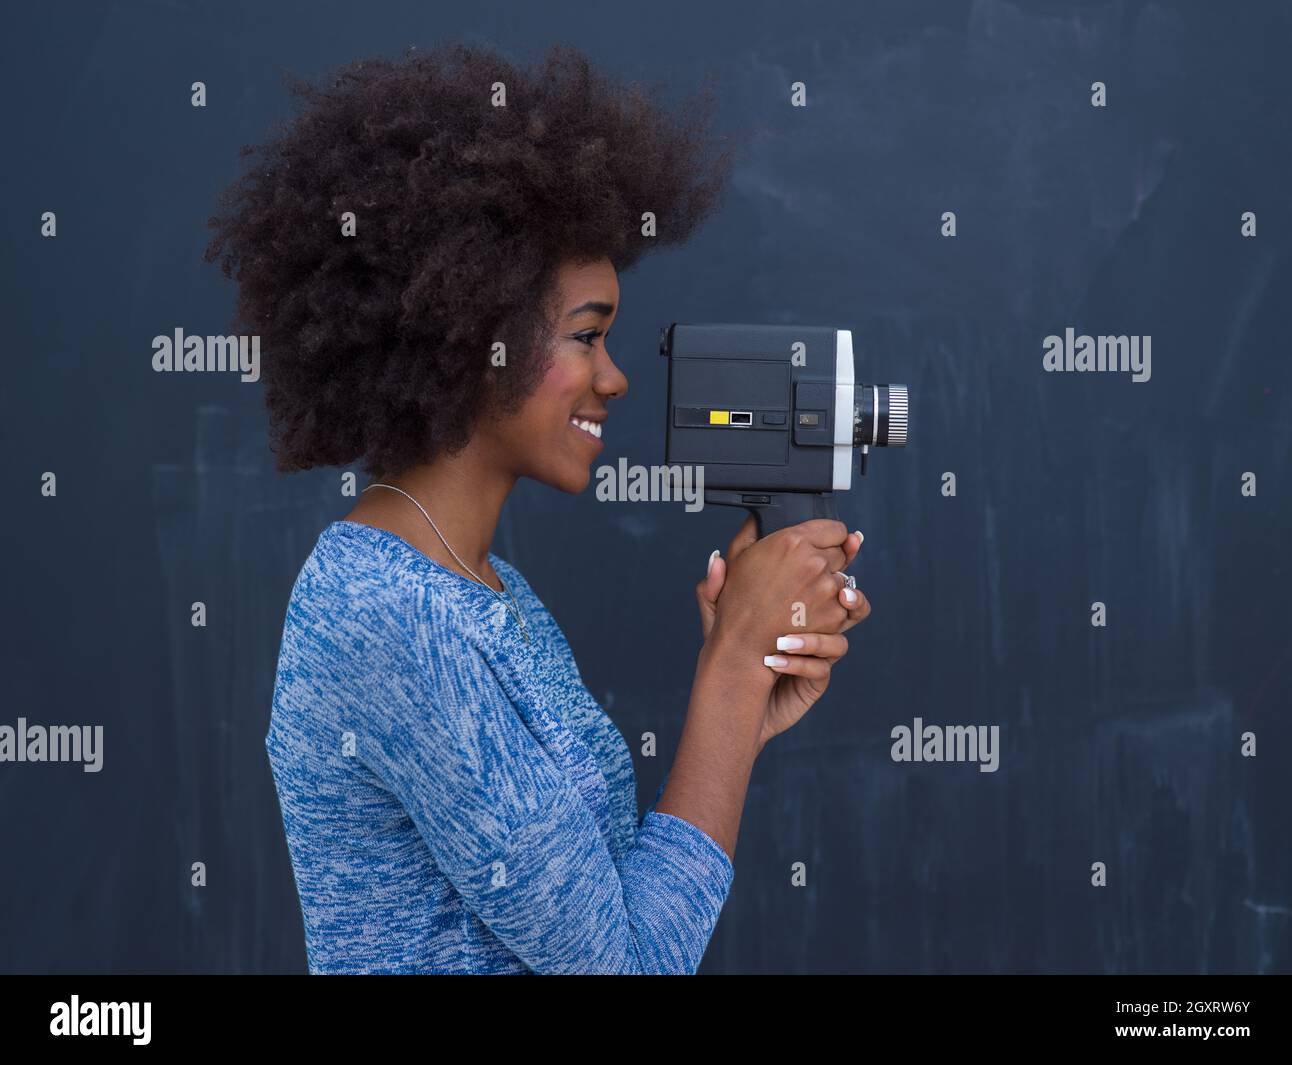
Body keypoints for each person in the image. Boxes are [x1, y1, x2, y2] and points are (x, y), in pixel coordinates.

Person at [205, 41, 869, 974]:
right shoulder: (391, 615)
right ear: (473, 332)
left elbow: (611, 920)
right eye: (588, 336)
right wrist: (723, 681)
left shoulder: (486, 589)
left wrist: (748, 695)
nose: (615, 376)